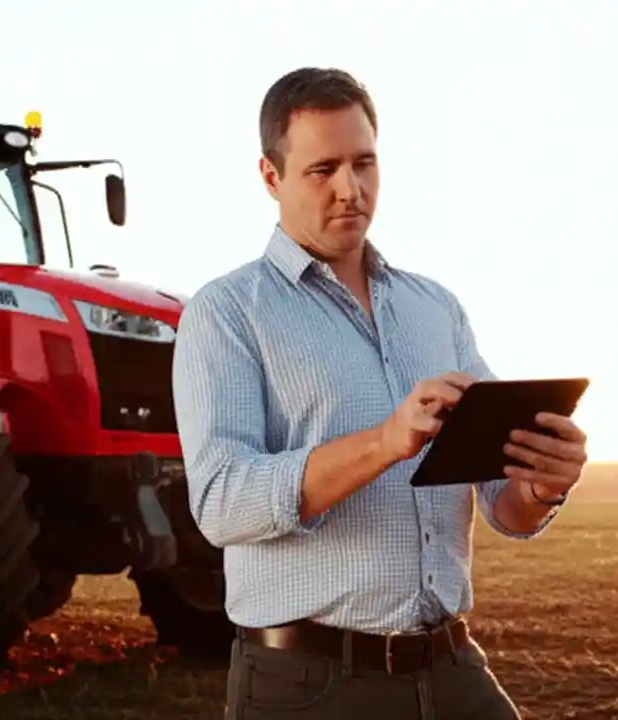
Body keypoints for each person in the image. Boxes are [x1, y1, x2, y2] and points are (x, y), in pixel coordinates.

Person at [170, 67, 590, 719]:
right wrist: (386, 443)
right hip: (309, 684)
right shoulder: (226, 313)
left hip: (453, 667)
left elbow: (504, 509)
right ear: (271, 177)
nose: (350, 189)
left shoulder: (435, 308)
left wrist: (540, 485)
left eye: (365, 163)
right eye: (323, 168)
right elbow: (221, 503)